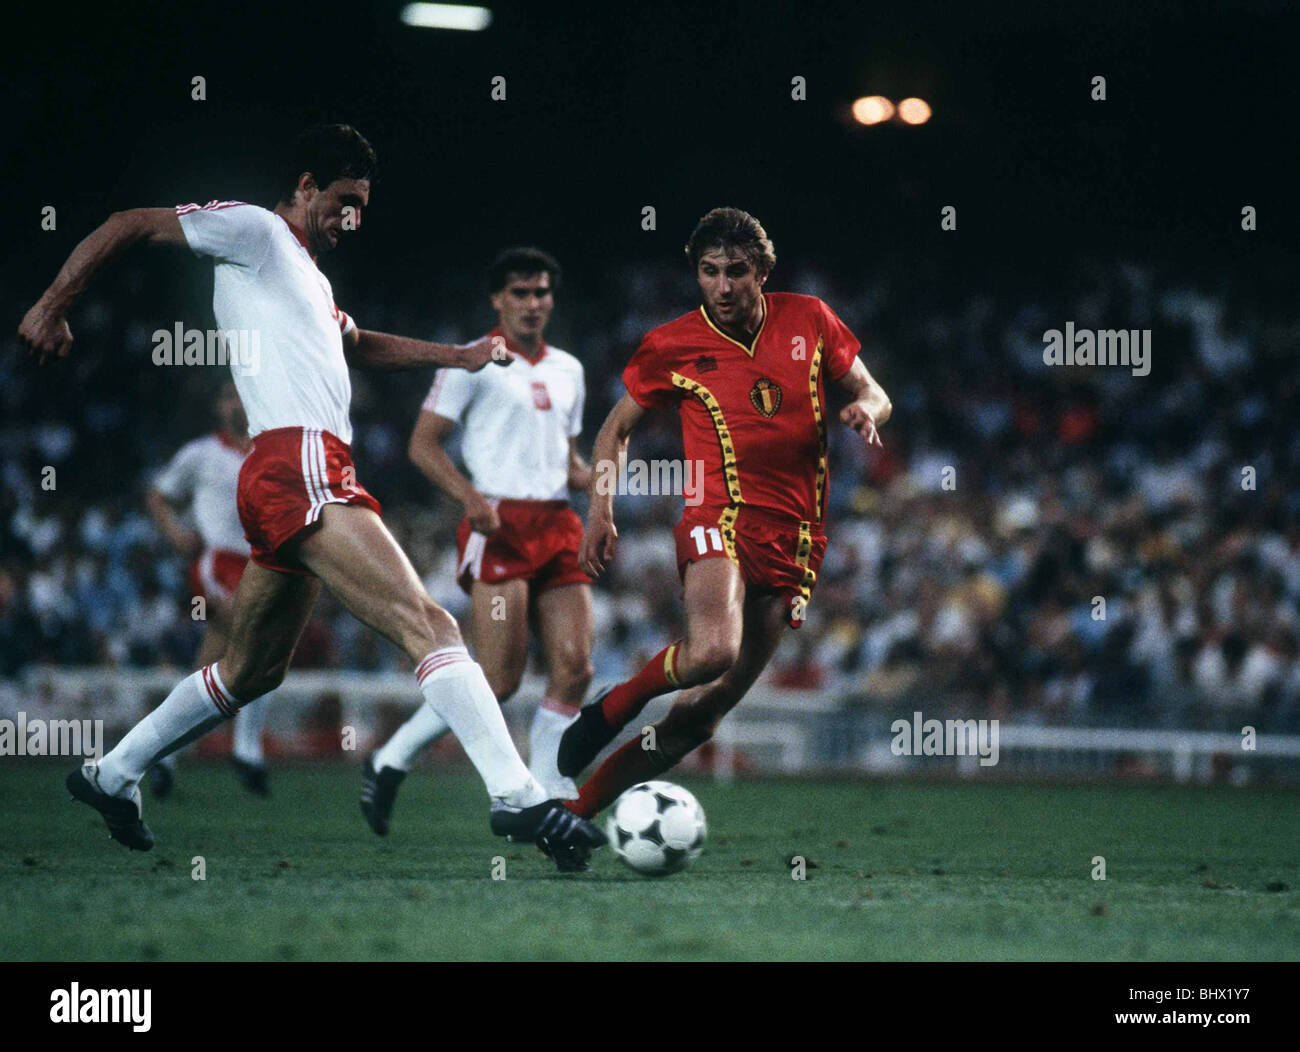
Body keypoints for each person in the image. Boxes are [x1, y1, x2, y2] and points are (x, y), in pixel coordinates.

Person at [18, 123, 604, 870]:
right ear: (302, 188)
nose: (350, 218)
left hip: (284, 473)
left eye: (361, 206)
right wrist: (52, 302)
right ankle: (519, 797)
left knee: (252, 671)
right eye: (341, 200)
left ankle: (112, 772)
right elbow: (130, 224)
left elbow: (358, 343)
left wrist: (455, 356)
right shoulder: (257, 232)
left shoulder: (310, 280)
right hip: (300, 461)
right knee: (428, 623)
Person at [557, 207, 891, 818]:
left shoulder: (810, 318)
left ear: (763, 271)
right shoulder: (672, 344)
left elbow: (874, 390)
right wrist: (600, 511)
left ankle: (573, 814)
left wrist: (867, 409)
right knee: (712, 652)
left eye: (736, 271)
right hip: (720, 517)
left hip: (797, 539)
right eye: (709, 272)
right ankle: (614, 706)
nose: (723, 286)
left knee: (702, 716)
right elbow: (614, 431)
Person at [362, 248, 593, 834]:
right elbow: (423, 444)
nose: (533, 303)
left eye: (541, 292)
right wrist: (469, 499)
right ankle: (392, 757)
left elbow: (567, 460)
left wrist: (607, 482)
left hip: (558, 523)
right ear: (497, 300)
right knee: (499, 679)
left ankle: (543, 791)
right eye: (520, 292)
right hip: (499, 527)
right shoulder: (471, 363)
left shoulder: (569, 368)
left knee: (575, 667)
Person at [144, 380, 272, 798]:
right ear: (219, 406)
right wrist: (177, 535)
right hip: (218, 561)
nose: (236, 402)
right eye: (229, 394)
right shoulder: (201, 454)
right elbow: (158, 496)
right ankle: (247, 748)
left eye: (242, 393)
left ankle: (161, 753)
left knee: (211, 663)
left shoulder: (267, 453)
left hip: (258, 564)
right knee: (262, 641)